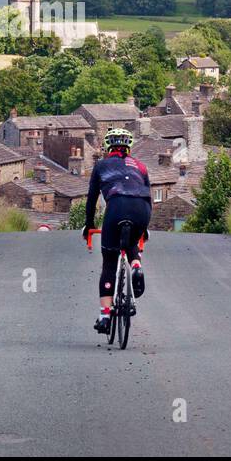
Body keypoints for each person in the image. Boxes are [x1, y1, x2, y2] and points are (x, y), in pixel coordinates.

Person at [82, 127, 151, 333]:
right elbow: (147, 195)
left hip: (117, 206)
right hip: (142, 209)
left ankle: (105, 316)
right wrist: (144, 228)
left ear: (107, 146)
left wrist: (90, 225)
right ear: (129, 146)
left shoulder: (101, 165)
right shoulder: (141, 166)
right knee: (130, 243)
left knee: (110, 263)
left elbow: (92, 199)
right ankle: (136, 264)